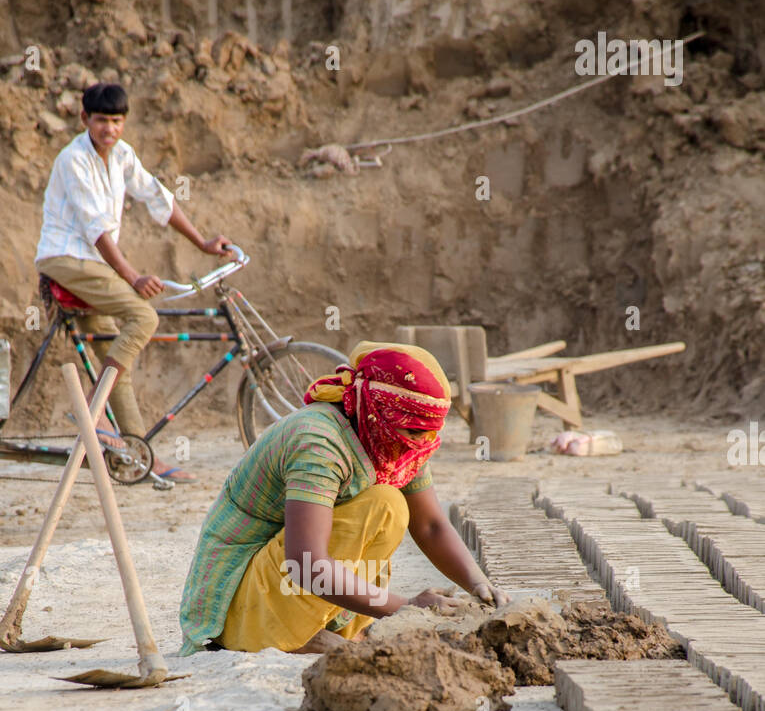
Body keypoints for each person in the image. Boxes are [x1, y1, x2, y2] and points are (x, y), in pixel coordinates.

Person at [178, 341, 509, 655]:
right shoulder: (319, 441)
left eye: (429, 433)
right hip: (239, 606)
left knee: (388, 503)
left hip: (281, 585)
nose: (420, 443)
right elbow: (306, 564)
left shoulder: (395, 441)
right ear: (377, 411)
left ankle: (334, 627)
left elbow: (432, 526)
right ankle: (296, 634)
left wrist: (478, 583)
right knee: (385, 505)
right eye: (413, 432)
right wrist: (405, 607)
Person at [34, 81, 235, 481]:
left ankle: (144, 458)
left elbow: (158, 197)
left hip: (93, 264)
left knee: (115, 357)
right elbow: (96, 230)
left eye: (117, 121)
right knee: (144, 318)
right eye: (102, 120)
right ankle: (92, 407)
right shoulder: (73, 160)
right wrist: (132, 276)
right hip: (66, 260)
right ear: (84, 119)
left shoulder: (122, 155)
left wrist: (203, 243)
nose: (110, 129)